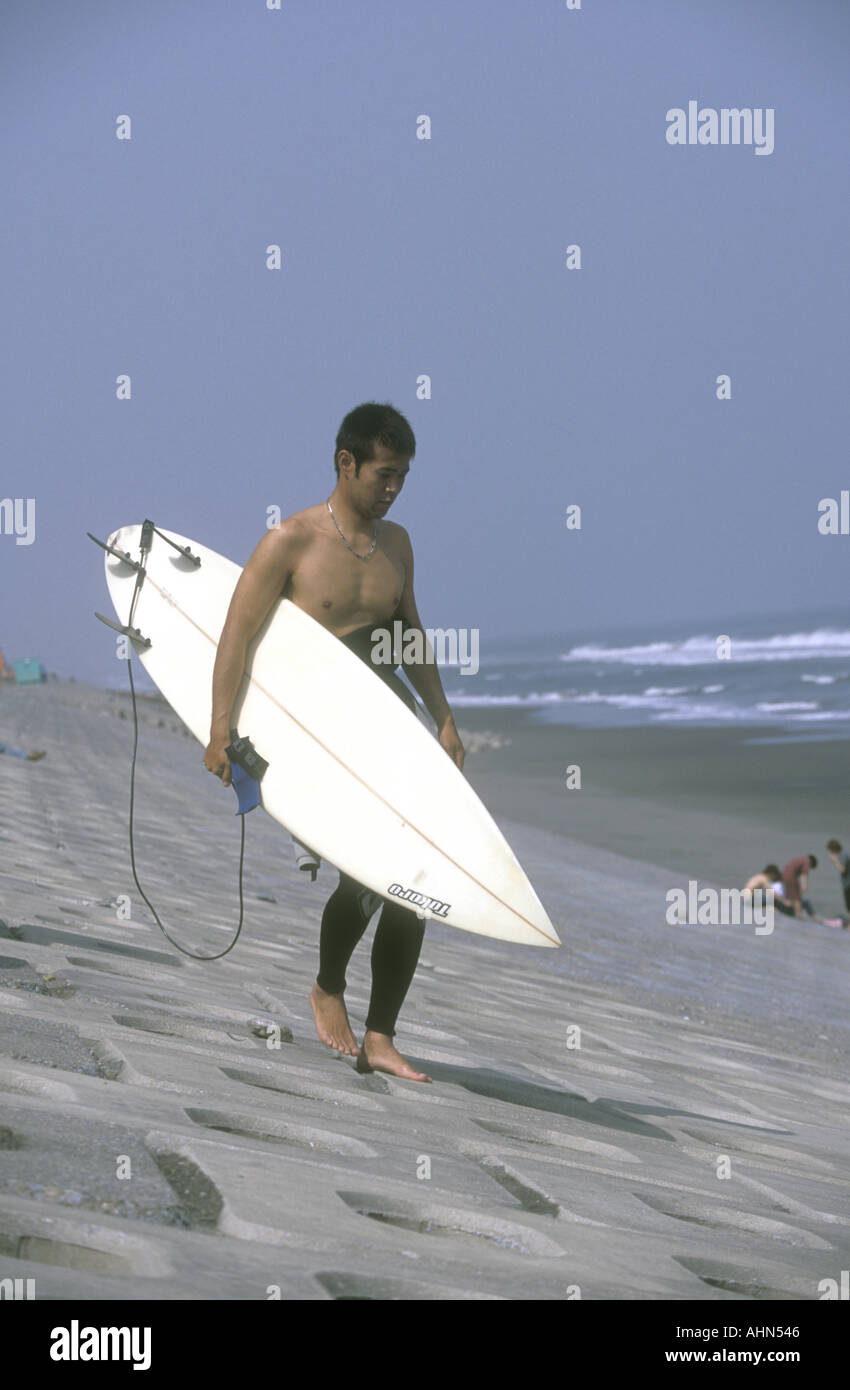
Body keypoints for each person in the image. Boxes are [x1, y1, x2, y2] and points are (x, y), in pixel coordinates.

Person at [203, 402, 464, 1083]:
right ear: (345, 463)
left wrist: (442, 717)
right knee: (364, 876)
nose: (393, 489)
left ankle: (381, 1035)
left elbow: (409, 637)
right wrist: (220, 728)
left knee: (413, 879)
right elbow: (236, 635)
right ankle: (326, 987)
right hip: (317, 739)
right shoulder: (289, 542)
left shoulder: (398, 544)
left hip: (386, 724)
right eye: (383, 474)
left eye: (402, 477)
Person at [826, 839, 850, 917]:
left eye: (829, 850)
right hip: (847, 884)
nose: (829, 853)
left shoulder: (843, 855)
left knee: (849, 905)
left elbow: (842, 869)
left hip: (848, 884)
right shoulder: (844, 854)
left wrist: (835, 860)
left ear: (833, 849)